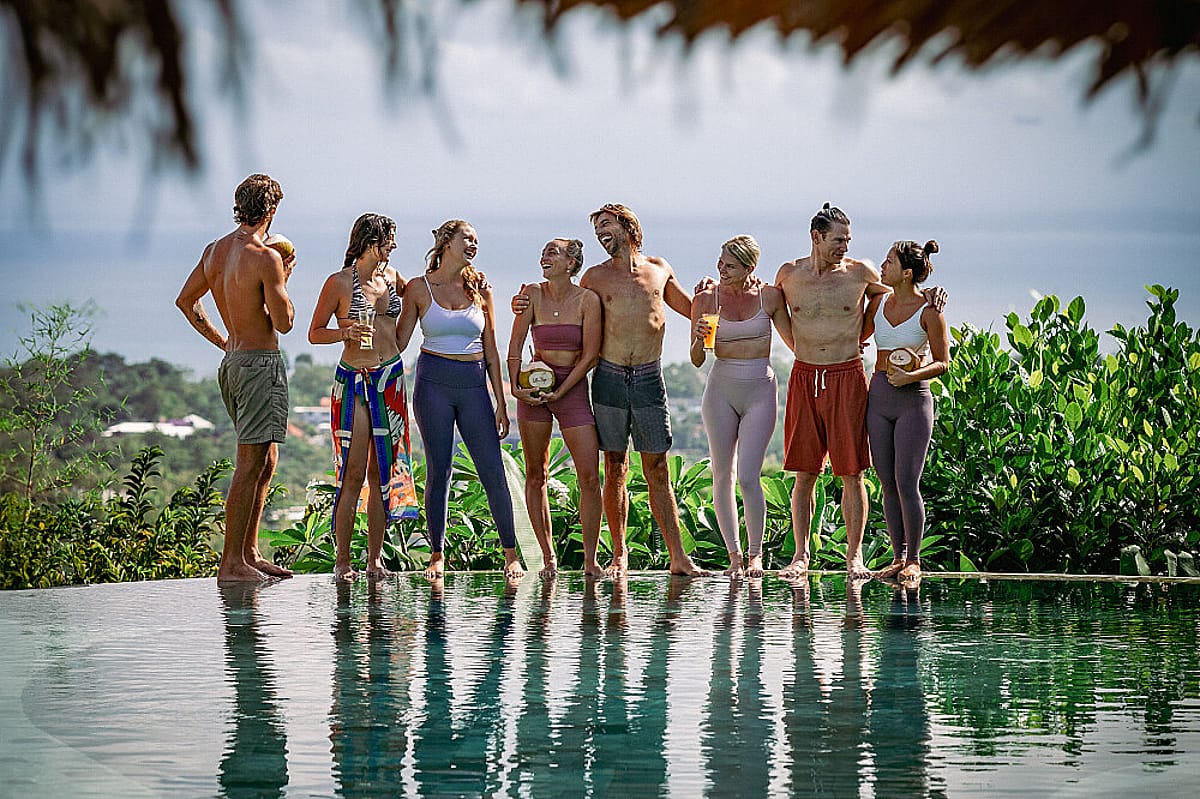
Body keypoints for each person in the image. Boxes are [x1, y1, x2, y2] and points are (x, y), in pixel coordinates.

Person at [775, 203, 943, 580]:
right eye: (838, 240)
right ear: (816, 237)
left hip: (847, 377)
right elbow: (775, 310)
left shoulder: (860, 273)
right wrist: (798, 348)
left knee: (852, 474)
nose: (844, 247)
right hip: (804, 377)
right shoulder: (788, 275)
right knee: (804, 474)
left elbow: (903, 295)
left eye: (848, 240)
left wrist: (933, 292)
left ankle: (855, 557)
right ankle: (800, 556)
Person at [175, 173, 294, 583]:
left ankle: (248, 552)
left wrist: (224, 341)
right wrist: (284, 281)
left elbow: (186, 301)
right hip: (259, 363)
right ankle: (230, 564)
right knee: (249, 465)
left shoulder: (214, 251)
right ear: (272, 209)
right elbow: (284, 322)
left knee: (266, 460)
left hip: (233, 363)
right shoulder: (267, 257)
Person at [578, 203, 708, 577]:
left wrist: (711, 296)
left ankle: (678, 558)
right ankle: (619, 554)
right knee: (614, 466)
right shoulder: (594, 278)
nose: (601, 232)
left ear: (628, 227)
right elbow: (569, 310)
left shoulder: (658, 269)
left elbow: (690, 308)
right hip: (610, 376)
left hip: (650, 377)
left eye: (607, 224)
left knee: (657, 468)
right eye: (597, 227)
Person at [395, 220, 524, 580]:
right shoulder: (420, 289)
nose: (474, 245)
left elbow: (493, 350)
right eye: (467, 238)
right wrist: (380, 307)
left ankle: (510, 554)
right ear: (446, 243)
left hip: (473, 384)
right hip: (433, 382)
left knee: (492, 469)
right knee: (440, 469)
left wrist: (501, 401)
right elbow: (399, 342)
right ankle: (436, 554)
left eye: (477, 240)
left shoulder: (481, 289)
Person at [307, 213, 420, 582]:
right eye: (389, 239)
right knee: (353, 473)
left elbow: (425, 290)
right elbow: (314, 333)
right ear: (372, 241)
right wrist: (346, 332)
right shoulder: (339, 283)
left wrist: (471, 281)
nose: (393, 246)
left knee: (382, 471)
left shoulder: (392, 278)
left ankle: (374, 559)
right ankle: (342, 560)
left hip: (390, 377)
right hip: (354, 379)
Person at [690, 235, 793, 578]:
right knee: (723, 475)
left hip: (760, 389)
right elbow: (696, 359)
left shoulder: (769, 297)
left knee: (749, 477)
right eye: (720, 263)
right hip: (720, 389)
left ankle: (755, 555)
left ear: (750, 268)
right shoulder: (706, 297)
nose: (721, 270)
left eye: (730, 266)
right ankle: (734, 556)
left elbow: (795, 341)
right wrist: (697, 337)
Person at [506, 238, 605, 577]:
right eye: (543, 250)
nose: (544, 255)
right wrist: (517, 387)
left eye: (552, 252)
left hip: (572, 389)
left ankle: (591, 560)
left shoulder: (587, 300)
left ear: (570, 262)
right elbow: (515, 346)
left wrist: (563, 389)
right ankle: (548, 558)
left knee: (590, 476)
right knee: (536, 475)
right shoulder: (532, 293)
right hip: (534, 391)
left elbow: (590, 354)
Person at [862, 240, 950, 584]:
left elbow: (943, 362)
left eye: (889, 262)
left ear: (907, 272)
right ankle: (897, 557)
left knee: (906, 482)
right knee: (886, 482)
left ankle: (914, 560)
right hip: (879, 396)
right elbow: (860, 334)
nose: (883, 267)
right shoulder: (879, 303)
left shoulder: (930, 310)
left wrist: (912, 375)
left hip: (913, 400)